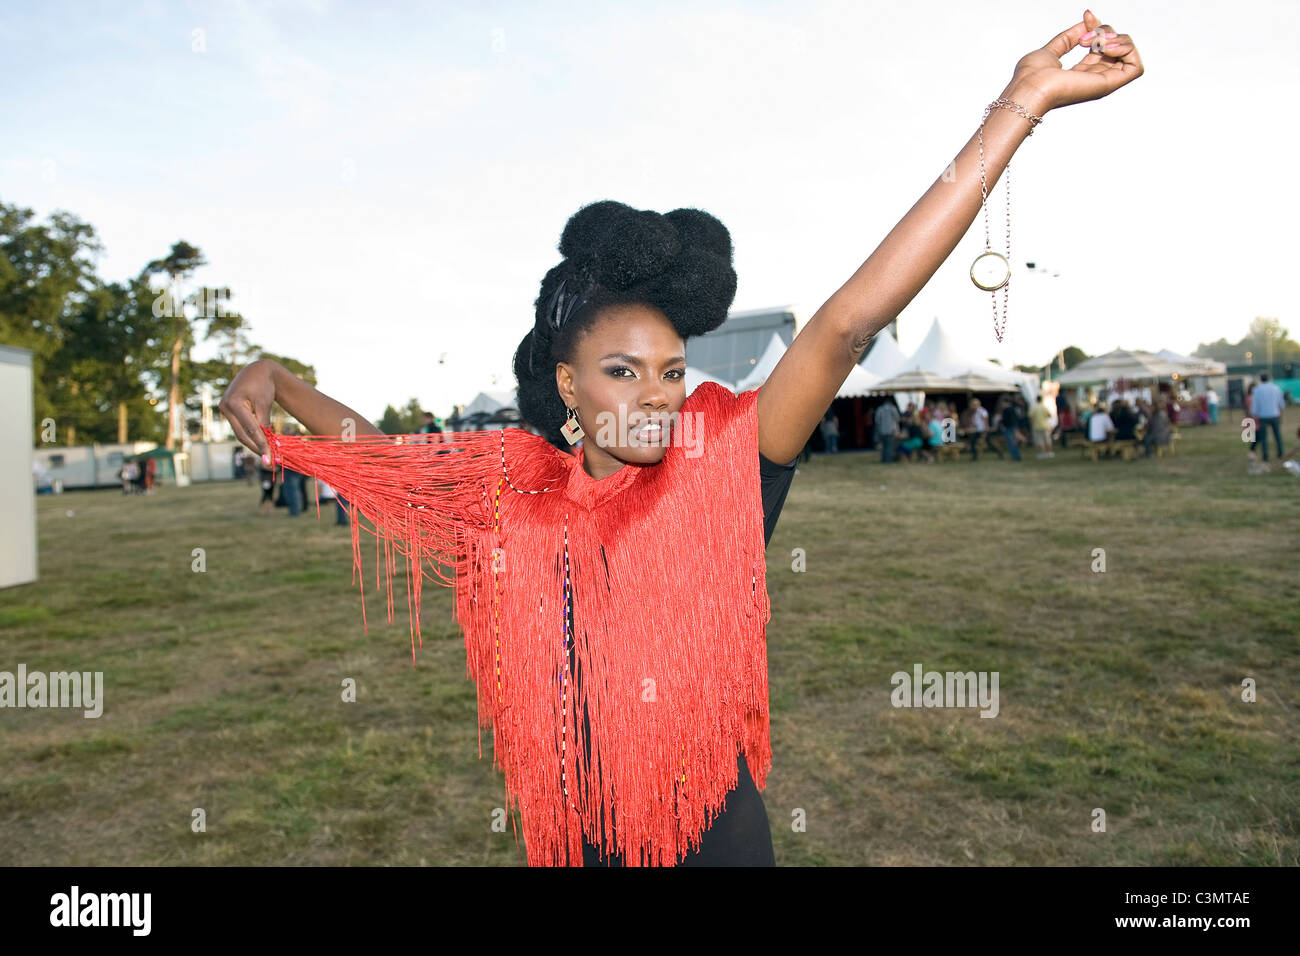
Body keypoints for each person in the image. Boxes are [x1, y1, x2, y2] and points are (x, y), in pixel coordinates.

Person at [217, 17, 1144, 868]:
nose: (661, 394)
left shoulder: (722, 462)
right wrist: (281, 378)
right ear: (566, 382)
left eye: (671, 368)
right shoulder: (510, 493)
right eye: (624, 370)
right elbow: (385, 458)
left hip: (714, 838)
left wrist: (1020, 106)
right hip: (570, 840)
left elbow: (845, 326)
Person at [1250, 373, 1285, 461]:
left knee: (1263, 438)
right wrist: (1281, 413)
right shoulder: (1276, 388)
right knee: (1277, 436)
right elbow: (1281, 403)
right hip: (1275, 415)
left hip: (1263, 416)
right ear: (1269, 379)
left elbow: (1255, 404)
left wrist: (1254, 414)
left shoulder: (1257, 390)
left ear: (1260, 379)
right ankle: (1280, 454)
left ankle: (1265, 456)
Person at [874, 398, 900, 463]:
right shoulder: (893, 409)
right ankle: (889, 460)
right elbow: (897, 419)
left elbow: (877, 420)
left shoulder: (880, 409)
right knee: (889, 446)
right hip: (891, 430)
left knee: (883, 446)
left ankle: (884, 460)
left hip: (882, 431)